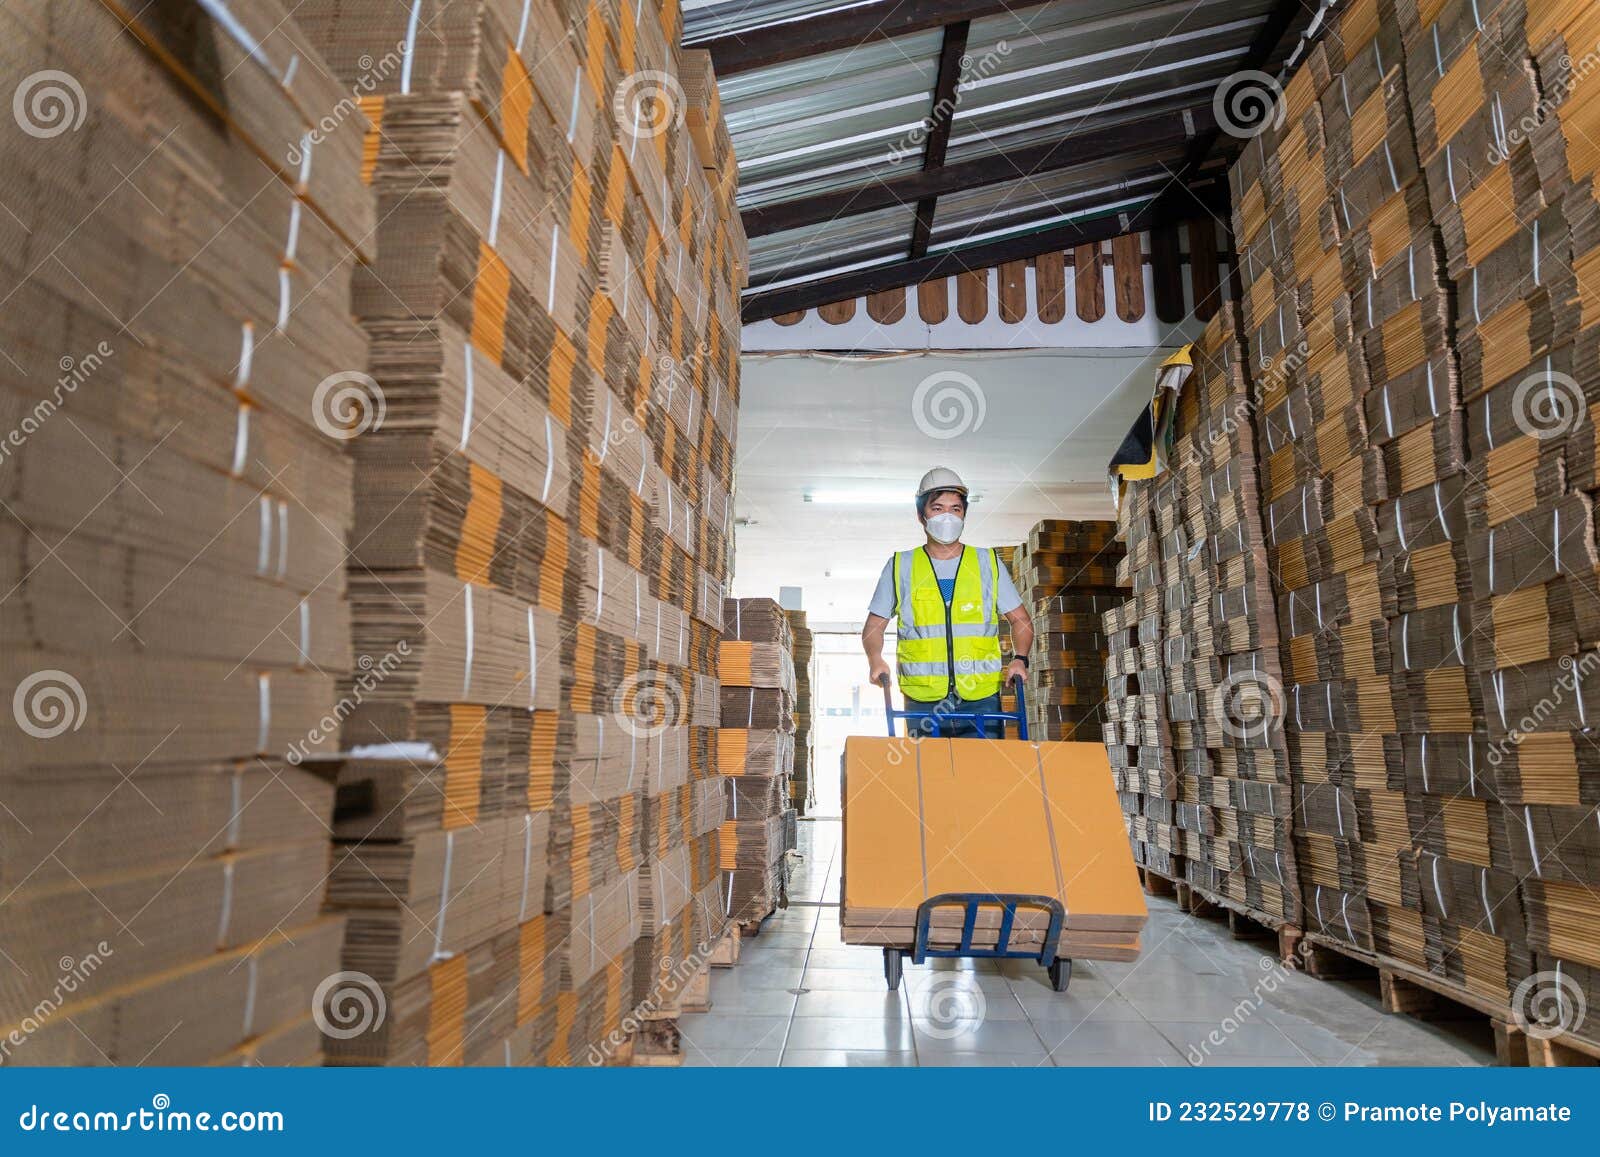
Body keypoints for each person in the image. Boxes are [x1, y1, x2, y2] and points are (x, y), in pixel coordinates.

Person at [861, 467, 1033, 738]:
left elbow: (1020, 619)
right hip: (923, 699)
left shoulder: (987, 563)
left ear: (964, 514)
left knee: (984, 776)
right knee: (927, 777)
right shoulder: (900, 566)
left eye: (955, 509)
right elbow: (874, 625)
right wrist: (875, 659)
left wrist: (1020, 659)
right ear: (921, 516)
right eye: (938, 508)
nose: (947, 516)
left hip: (981, 696)